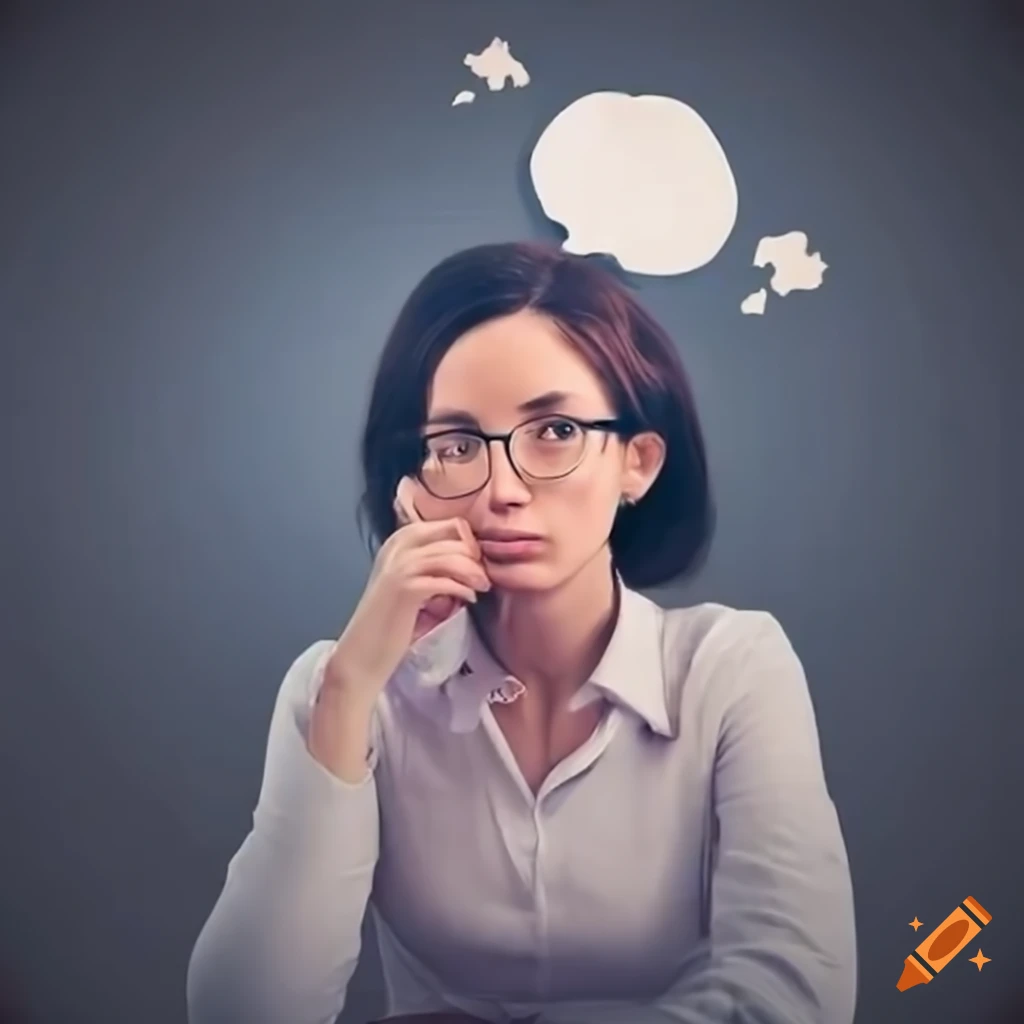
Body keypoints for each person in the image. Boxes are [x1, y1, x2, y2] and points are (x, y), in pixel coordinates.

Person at [186, 241, 857, 1024]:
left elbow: (793, 1001)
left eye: (555, 431)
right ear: (415, 481)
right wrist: (348, 691)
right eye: (459, 445)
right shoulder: (347, 689)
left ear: (636, 462)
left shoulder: (734, 669)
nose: (502, 489)